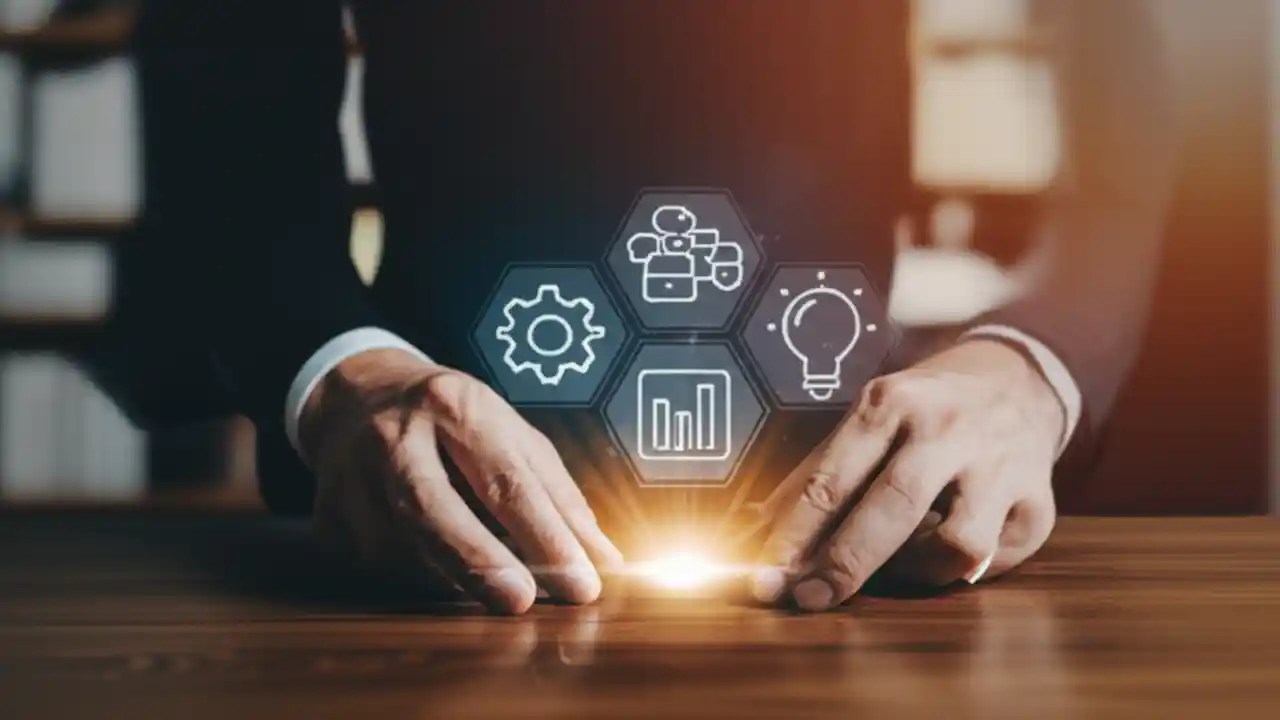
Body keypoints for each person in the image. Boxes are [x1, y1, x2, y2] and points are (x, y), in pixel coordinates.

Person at [122, 0, 1173, 614]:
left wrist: (1034, 365)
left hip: (868, 543)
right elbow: (225, 106)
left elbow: (1137, 112)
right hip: (419, 540)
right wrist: (333, 366)